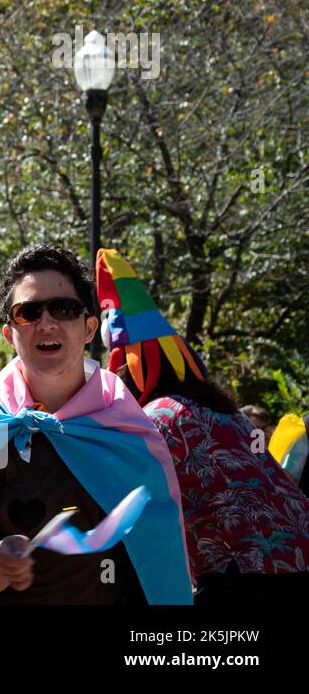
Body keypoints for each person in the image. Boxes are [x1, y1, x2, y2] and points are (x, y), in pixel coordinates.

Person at [0, 244, 192, 604]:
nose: (47, 322)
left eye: (64, 308)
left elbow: (159, 554)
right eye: (28, 312)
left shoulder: (128, 429)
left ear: (89, 328)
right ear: (10, 334)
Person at [98, 248, 309, 606]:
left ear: (131, 372)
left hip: (245, 578)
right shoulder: (226, 411)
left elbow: (123, 503)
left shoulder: (158, 417)